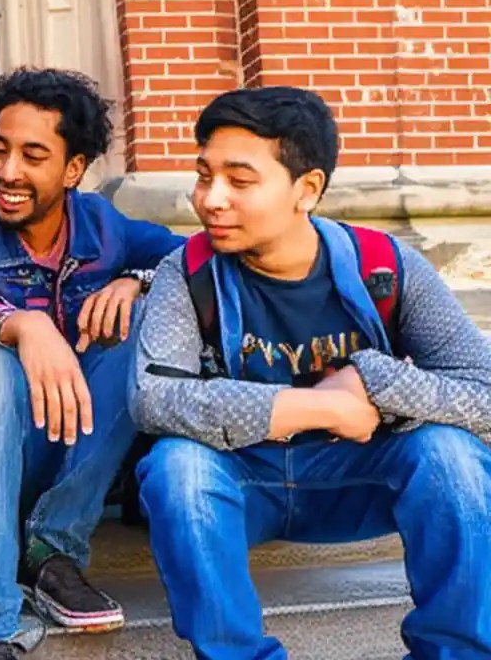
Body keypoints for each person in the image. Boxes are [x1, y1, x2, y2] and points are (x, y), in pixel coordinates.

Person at [132, 85, 491, 659]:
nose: (211, 199)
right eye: (204, 175)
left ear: (308, 189)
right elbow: (154, 397)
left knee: (452, 456)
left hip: (360, 477)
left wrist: (370, 378)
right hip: (243, 481)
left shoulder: (386, 266)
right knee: (175, 468)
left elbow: (485, 391)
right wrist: (323, 406)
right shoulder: (189, 270)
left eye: (240, 180)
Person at [0, 67, 185, 659]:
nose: (7, 172)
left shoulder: (102, 225)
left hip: (79, 446)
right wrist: (18, 323)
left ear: (72, 169)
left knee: (142, 320)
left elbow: (190, 257)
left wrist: (134, 282)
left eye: (32, 155)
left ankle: (51, 549)